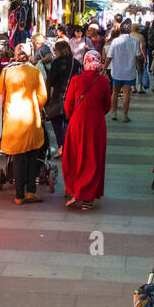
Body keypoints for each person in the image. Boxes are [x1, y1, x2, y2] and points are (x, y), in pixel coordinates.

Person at [0, 42, 48, 204]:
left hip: (13, 120)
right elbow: (43, 98)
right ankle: (30, 191)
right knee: (33, 155)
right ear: (30, 55)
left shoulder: (6, 72)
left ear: (15, 54)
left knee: (17, 156)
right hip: (31, 119)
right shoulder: (35, 71)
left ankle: (19, 195)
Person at [62, 50, 112, 210]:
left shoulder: (76, 80)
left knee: (74, 156)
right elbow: (107, 106)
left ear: (85, 62)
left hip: (77, 121)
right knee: (93, 158)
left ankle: (74, 189)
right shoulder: (104, 81)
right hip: (96, 123)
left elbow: (68, 106)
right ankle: (88, 198)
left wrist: (75, 117)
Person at [45, 40, 78, 157]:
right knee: (68, 123)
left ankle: (62, 146)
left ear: (59, 50)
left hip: (58, 97)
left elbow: (50, 81)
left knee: (57, 122)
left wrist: (47, 97)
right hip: (73, 97)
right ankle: (68, 146)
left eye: (55, 50)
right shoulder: (76, 63)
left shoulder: (56, 62)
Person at [107, 22, 144, 122]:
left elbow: (109, 56)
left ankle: (114, 113)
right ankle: (125, 115)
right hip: (129, 72)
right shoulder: (135, 41)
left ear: (120, 30)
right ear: (130, 30)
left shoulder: (115, 41)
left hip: (116, 72)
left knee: (115, 92)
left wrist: (104, 68)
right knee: (126, 93)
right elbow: (138, 55)